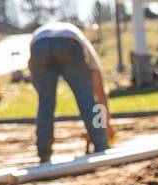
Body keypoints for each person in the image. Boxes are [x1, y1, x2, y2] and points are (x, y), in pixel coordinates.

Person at [27, 22, 115, 162]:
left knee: (45, 103)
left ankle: (43, 153)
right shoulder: (83, 43)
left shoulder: (42, 34)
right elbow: (99, 93)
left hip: (38, 45)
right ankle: (101, 144)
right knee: (87, 100)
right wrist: (106, 124)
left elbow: (33, 73)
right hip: (69, 43)